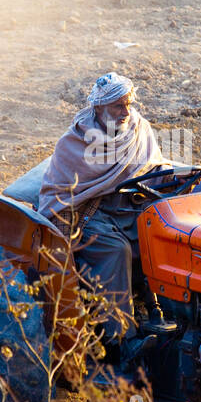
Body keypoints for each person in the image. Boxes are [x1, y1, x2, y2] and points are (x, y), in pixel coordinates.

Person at [38, 72, 168, 356]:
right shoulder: (74, 143)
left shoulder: (138, 129)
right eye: (118, 106)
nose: (126, 112)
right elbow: (59, 195)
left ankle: (159, 312)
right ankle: (121, 338)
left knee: (162, 237)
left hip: (128, 205)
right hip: (86, 210)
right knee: (116, 249)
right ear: (99, 108)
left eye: (128, 104)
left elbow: (152, 167)